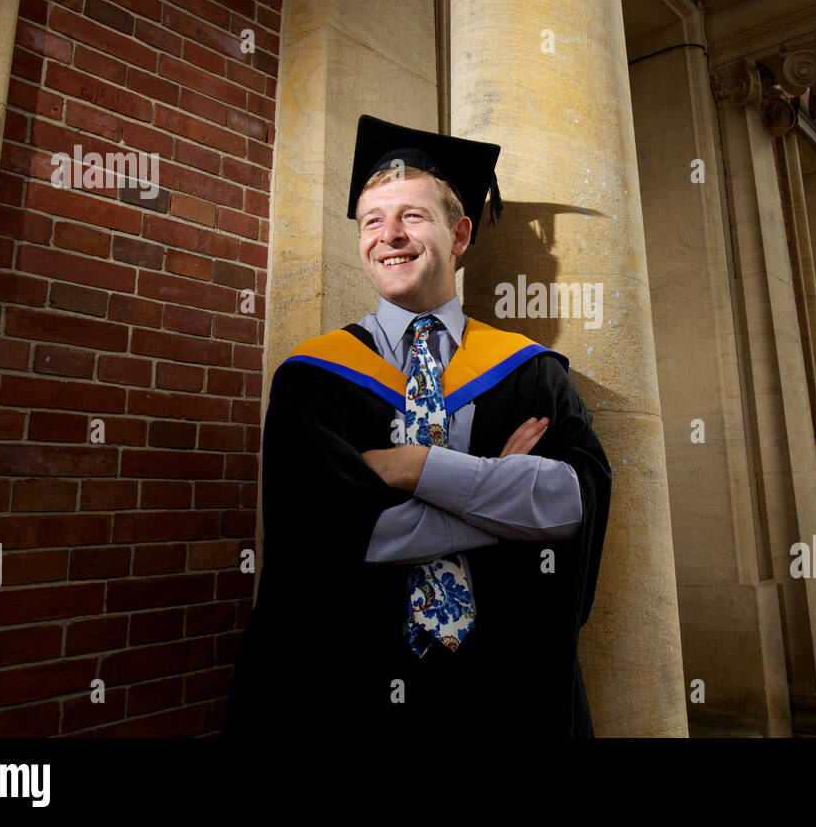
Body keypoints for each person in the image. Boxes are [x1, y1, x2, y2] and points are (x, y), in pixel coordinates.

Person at [224, 114, 611, 738]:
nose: (389, 236)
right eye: (372, 220)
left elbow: (575, 504)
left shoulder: (531, 372)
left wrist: (417, 467)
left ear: (459, 235)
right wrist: (501, 499)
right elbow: (330, 536)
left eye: (412, 216)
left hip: (504, 684)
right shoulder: (312, 378)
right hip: (349, 683)